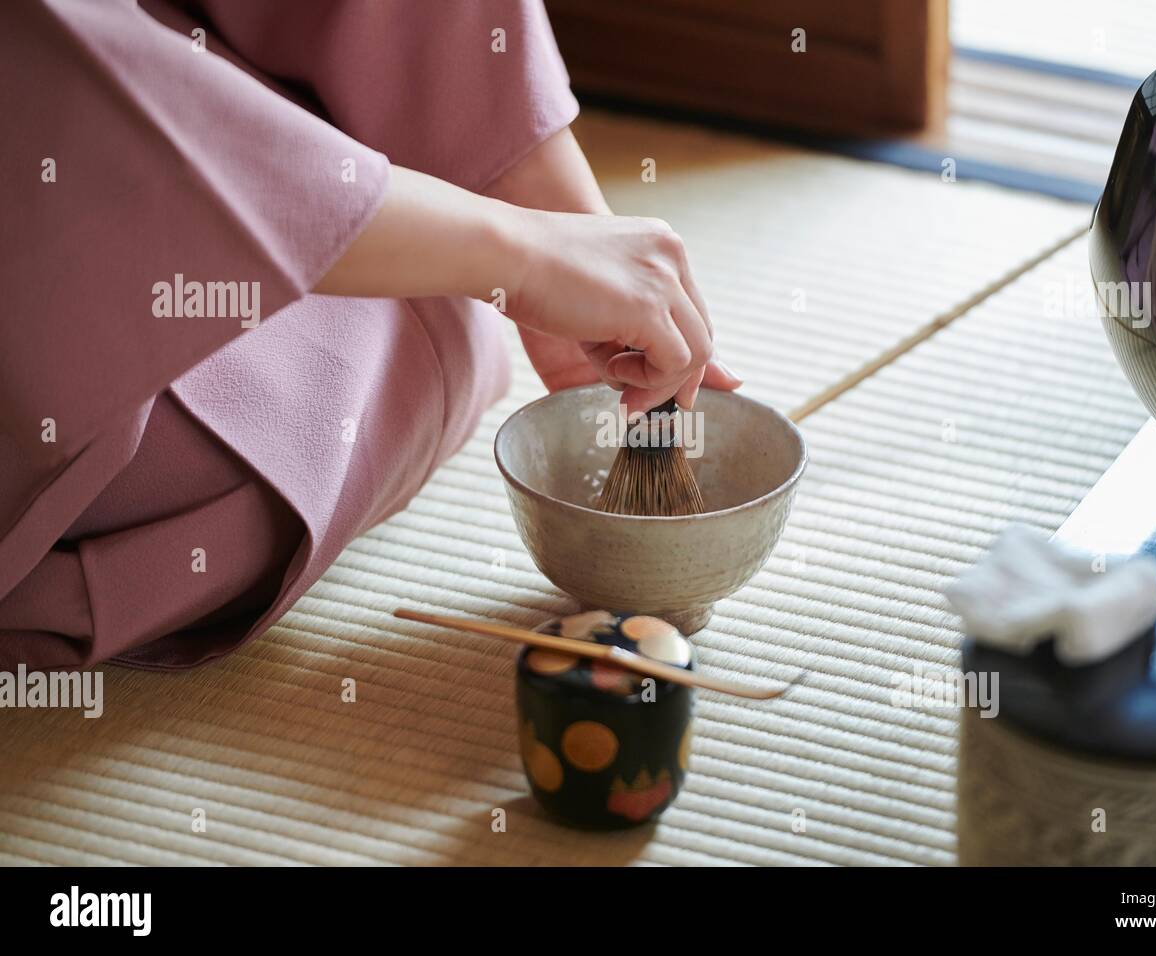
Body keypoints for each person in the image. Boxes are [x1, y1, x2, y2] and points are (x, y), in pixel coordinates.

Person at [0, 0, 742, 670]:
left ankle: (420, 211)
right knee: (267, 445)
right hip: (62, 198)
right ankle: (393, 221)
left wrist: (548, 200)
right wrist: (516, 253)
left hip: (199, 78)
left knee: (415, 298)